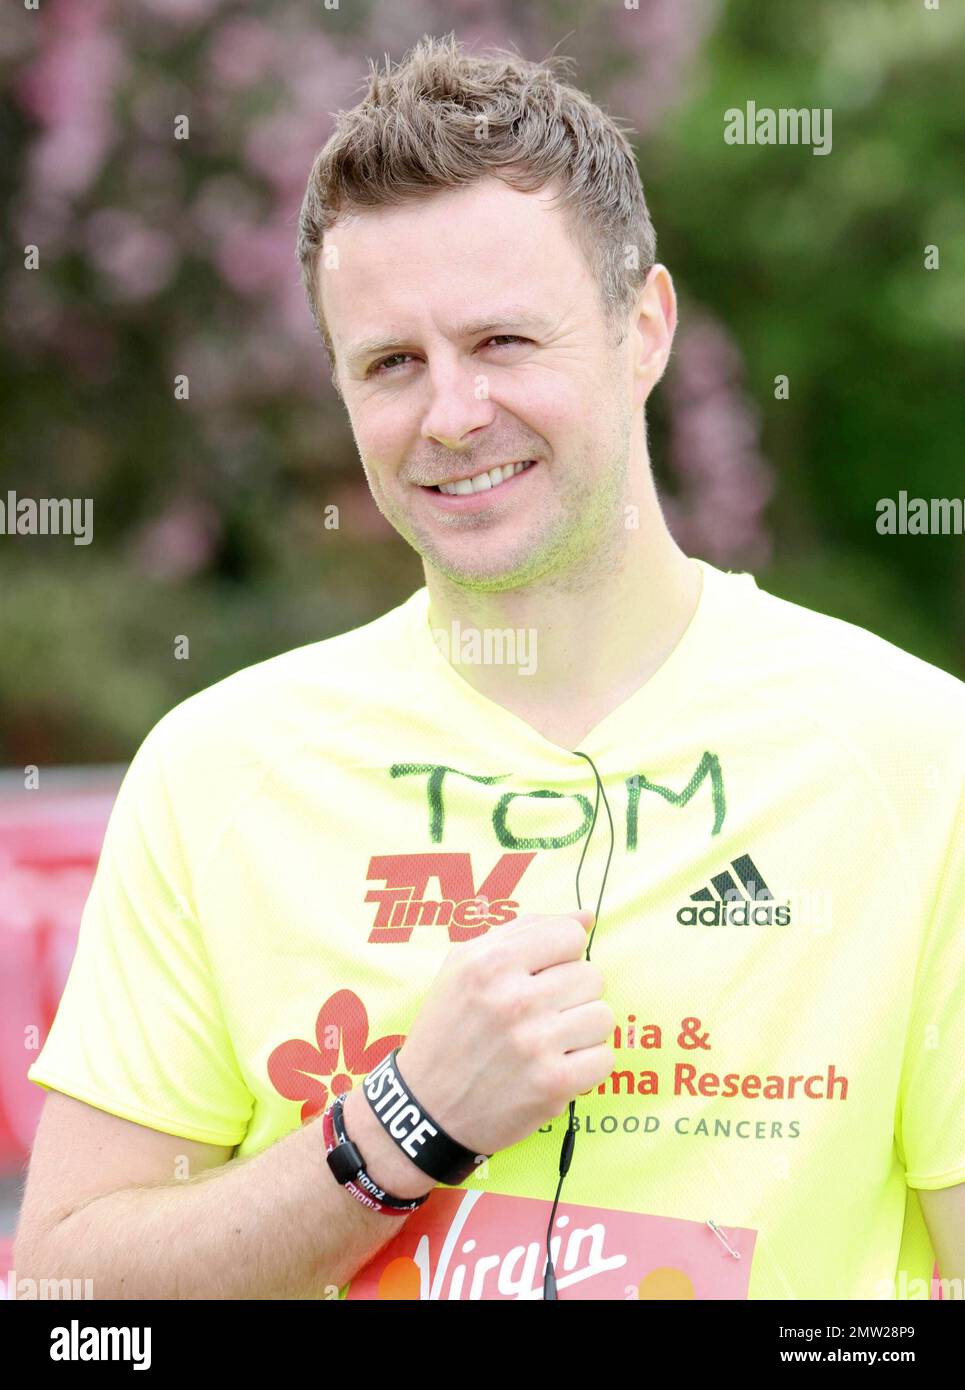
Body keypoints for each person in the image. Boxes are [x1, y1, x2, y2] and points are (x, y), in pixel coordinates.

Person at [14, 33, 964, 1302]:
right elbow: (70, 1310)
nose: (450, 414)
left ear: (644, 328)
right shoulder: (215, 770)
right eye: (391, 363)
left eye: (504, 342)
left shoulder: (915, 760)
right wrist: (401, 1124)